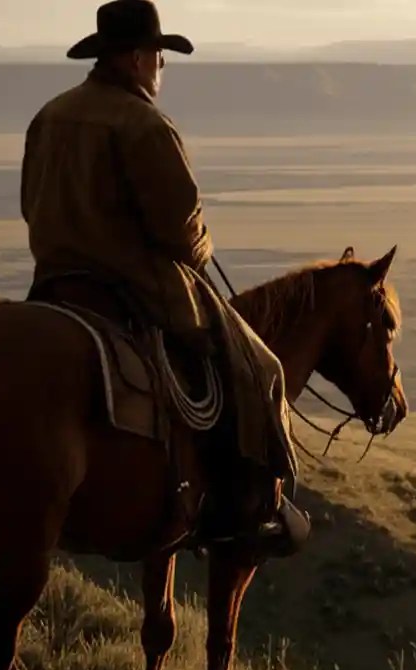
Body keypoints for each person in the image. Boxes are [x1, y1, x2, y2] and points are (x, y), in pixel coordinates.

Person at [19, 0, 302, 552]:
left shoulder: (49, 116)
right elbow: (179, 228)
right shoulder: (146, 125)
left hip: (55, 282)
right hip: (136, 286)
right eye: (159, 57)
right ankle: (239, 509)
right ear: (135, 59)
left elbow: (32, 205)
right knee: (257, 366)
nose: (160, 69)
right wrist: (203, 244)